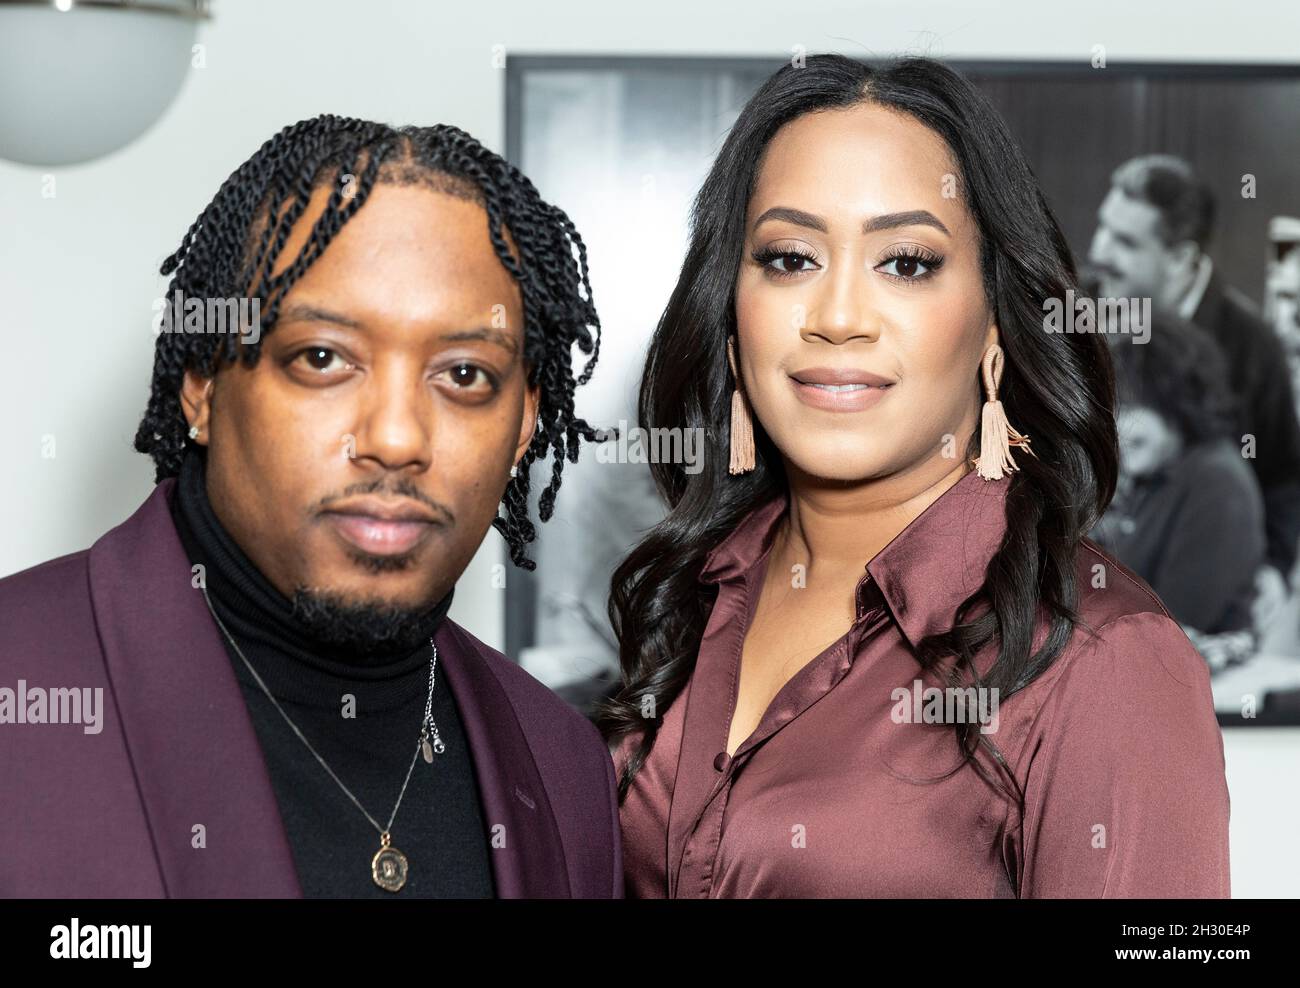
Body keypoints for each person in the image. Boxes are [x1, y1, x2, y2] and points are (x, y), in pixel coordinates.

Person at [600, 54, 1230, 898]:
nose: (837, 317)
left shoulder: (1108, 659)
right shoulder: (692, 594)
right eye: (790, 258)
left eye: (905, 262)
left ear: (996, 321)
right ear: (730, 314)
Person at [0, 116, 622, 898]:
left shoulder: (564, 765)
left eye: (465, 374)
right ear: (203, 384)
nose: (395, 439)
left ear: (525, 422)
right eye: (322, 358)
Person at [1089, 155, 1300, 630]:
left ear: (1181, 257)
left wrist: (1276, 567)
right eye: (1103, 227)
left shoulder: (1253, 347)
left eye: (1126, 242)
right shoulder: (1075, 307)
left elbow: (1284, 474)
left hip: (1196, 593)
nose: (1100, 251)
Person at [1090, 313, 1265, 647]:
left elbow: (1174, 621)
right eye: (1114, 409)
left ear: (1176, 403)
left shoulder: (1217, 482)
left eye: (1132, 408)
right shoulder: (1153, 472)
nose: (1119, 427)